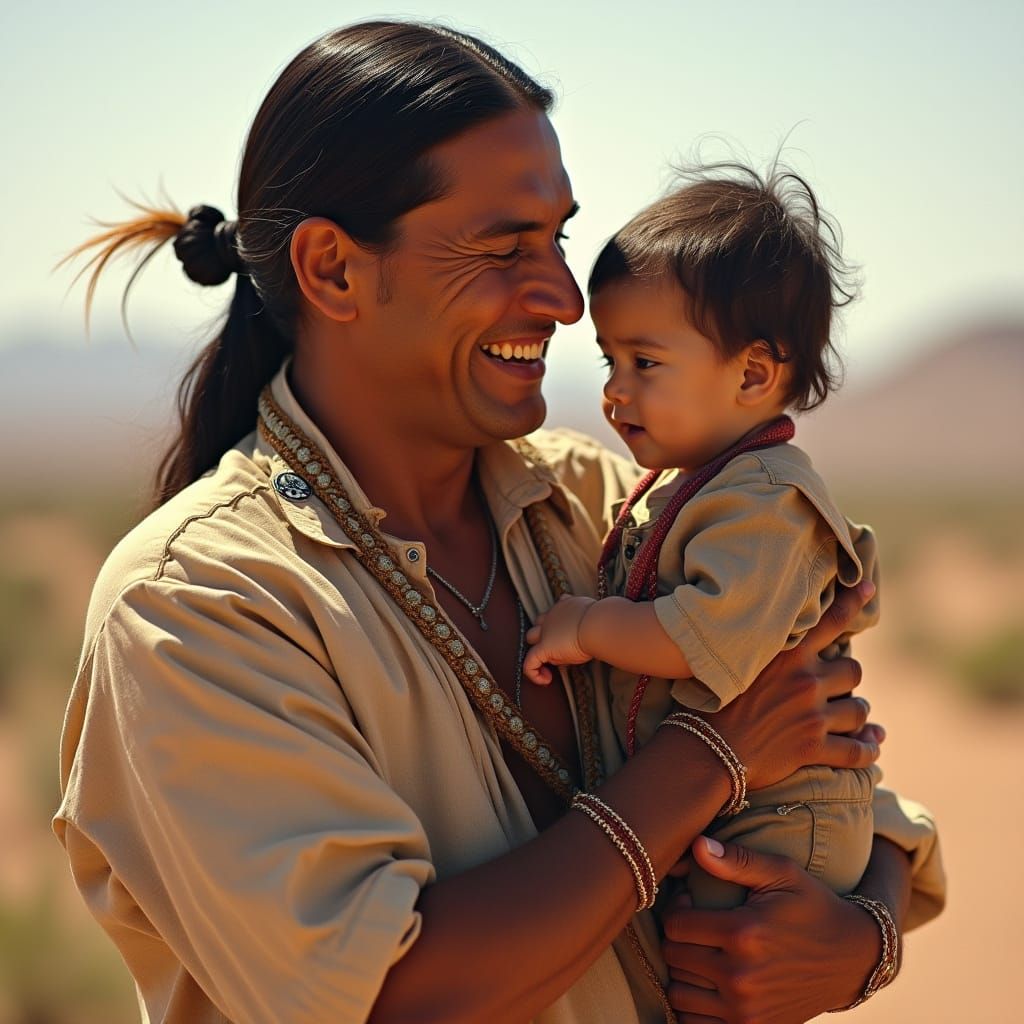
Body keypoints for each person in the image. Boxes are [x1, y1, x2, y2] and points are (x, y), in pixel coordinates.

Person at [52, 21, 944, 1024]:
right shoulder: (195, 604)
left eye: (556, 239)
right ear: (334, 270)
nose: (565, 299)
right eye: (505, 245)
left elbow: (840, 781)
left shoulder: (611, 507)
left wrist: (857, 941)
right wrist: (707, 759)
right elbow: (390, 997)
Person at [522, 166, 883, 910]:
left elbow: (700, 639)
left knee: (717, 966)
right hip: (738, 804)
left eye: (645, 363)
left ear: (752, 374)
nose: (615, 391)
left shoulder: (765, 499)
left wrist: (589, 626)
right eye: (609, 360)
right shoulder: (698, 481)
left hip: (782, 823)